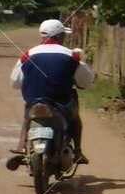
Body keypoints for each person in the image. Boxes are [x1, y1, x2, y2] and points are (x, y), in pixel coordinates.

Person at [7, 19, 93, 169]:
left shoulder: (27, 55)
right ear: (60, 36)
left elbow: (15, 82)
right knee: (75, 118)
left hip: (34, 102)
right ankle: (78, 151)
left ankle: (21, 146)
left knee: (28, 116)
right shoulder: (71, 56)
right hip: (61, 104)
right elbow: (85, 81)